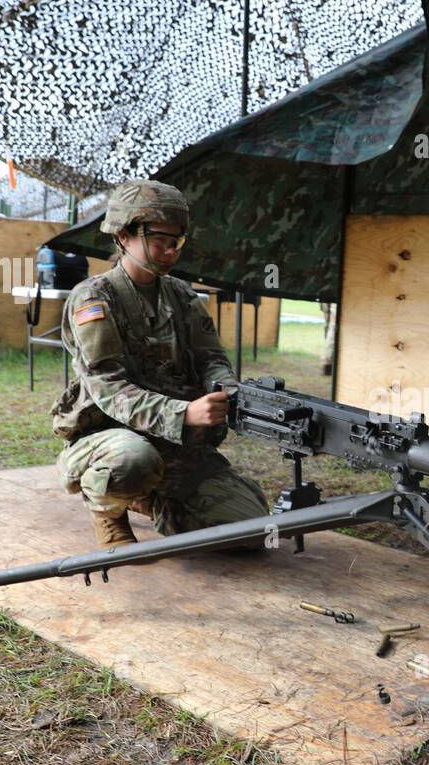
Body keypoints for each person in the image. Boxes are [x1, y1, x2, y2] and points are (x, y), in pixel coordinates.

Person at [50, 179, 269, 549]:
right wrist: (184, 413)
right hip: (110, 439)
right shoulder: (94, 299)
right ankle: (109, 511)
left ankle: (153, 499)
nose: (169, 251)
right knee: (132, 460)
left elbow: (211, 359)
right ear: (123, 236)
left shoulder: (182, 295)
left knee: (252, 531)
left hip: (175, 445)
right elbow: (109, 387)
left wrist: (224, 388)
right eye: (159, 240)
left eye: (176, 242)